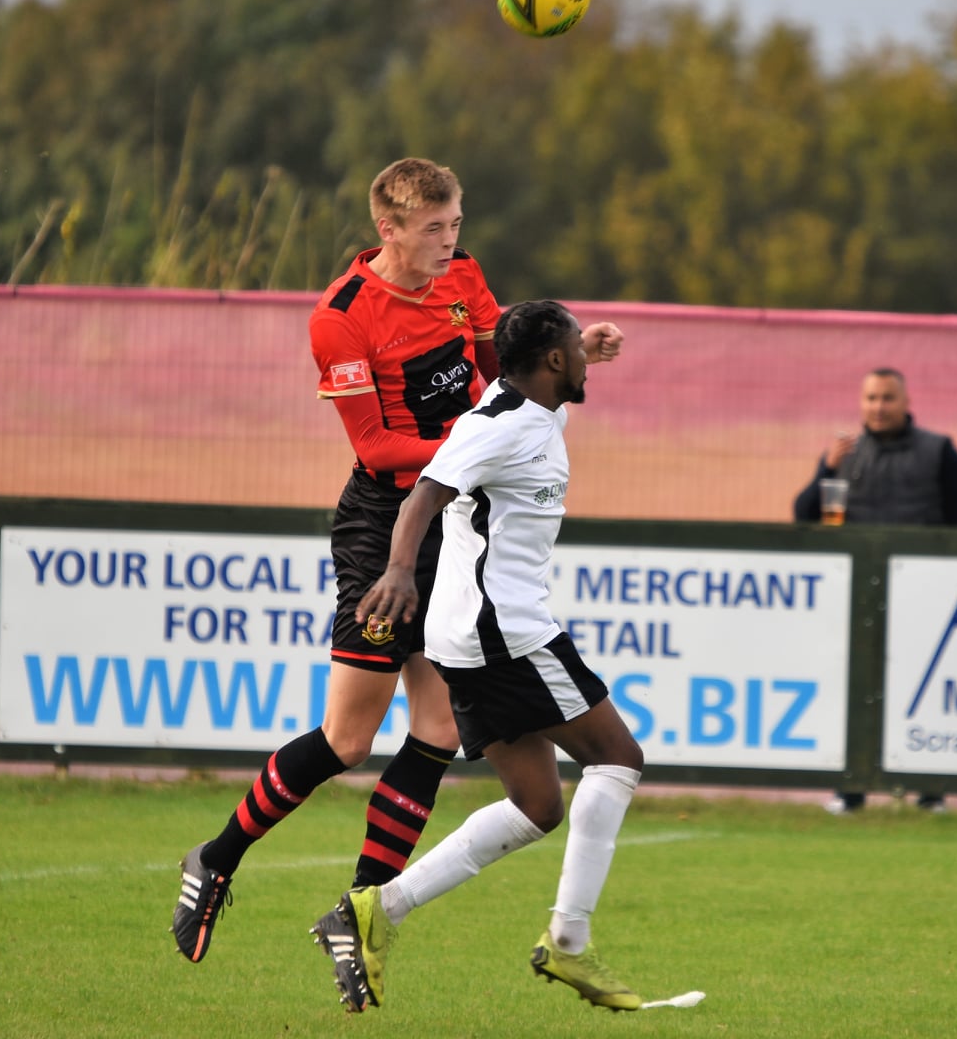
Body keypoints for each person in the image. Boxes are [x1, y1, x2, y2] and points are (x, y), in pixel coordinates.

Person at [170, 160, 623, 963]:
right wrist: (476, 454)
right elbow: (376, 446)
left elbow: (498, 380)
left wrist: (567, 358)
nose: (450, 243)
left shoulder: (465, 279)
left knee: (439, 727)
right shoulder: (341, 317)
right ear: (389, 228)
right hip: (386, 524)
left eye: (455, 226)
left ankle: (359, 915)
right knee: (348, 739)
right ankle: (215, 858)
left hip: (451, 512)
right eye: (433, 230)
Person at [308, 301, 646, 1014]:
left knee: (536, 805)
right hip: (506, 635)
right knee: (617, 758)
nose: (583, 363)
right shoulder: (496, 424)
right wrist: (398, 571)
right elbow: (423, 494)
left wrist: (580, 344)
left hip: (474, 635)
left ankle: (374, 911)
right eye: (573, 353)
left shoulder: (531, 402)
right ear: (552, 364)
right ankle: (569, 944)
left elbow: (544, 383)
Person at [794, 367, 957, 816]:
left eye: (887, 398)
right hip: (858, 601)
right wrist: (826, 467)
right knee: (853, 693)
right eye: (871, 398)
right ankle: (850, 789)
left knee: (924, 691)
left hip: (926, 597)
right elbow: (803, 515)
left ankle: (930, 789)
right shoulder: (844, 454)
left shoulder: (940, 452)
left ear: (906, 401)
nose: (878, 407)